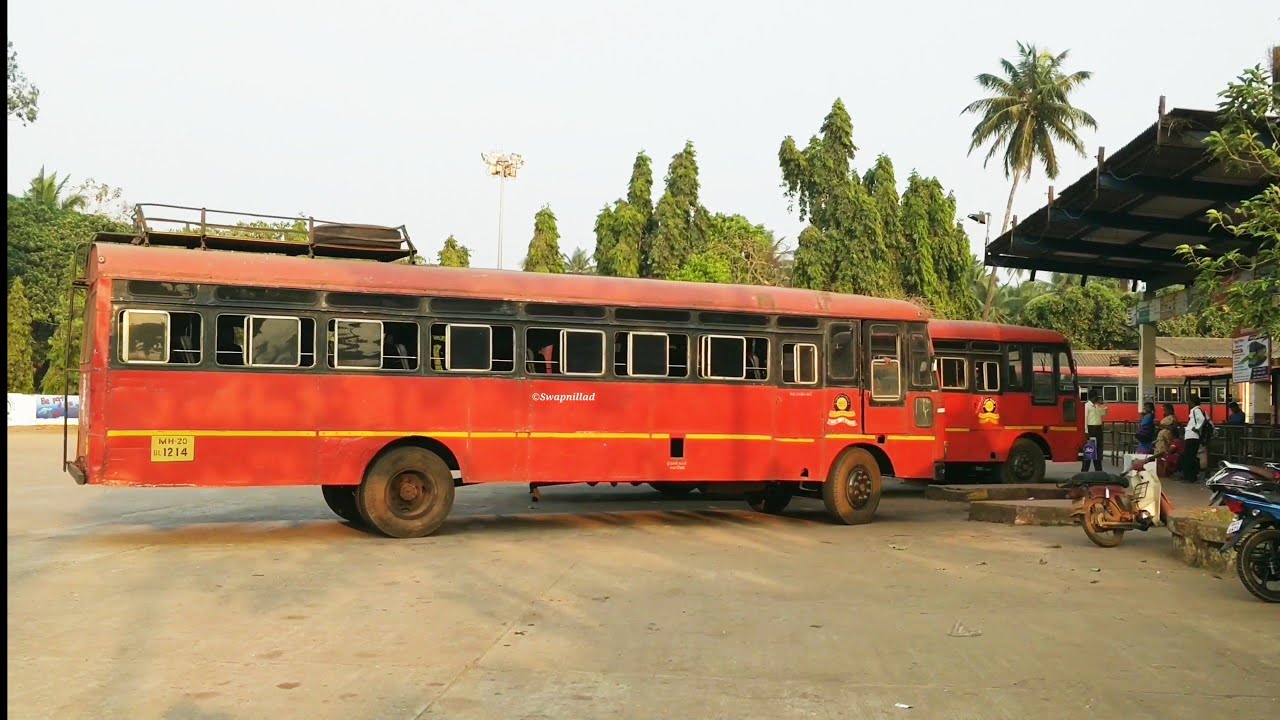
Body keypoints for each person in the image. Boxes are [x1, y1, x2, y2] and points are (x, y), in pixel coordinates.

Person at [1183, 394, 1208, 483]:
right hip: (1192, 437)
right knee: (1190, 456)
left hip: (1192, 436)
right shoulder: (1199, 410)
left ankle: (1191, 477)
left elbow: (1201, 419)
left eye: (1189, 401)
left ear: (1192, 402)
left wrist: (1196, 428)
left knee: (1190, 456)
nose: (1188, 403)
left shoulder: (1196, 410)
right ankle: (1190, 476)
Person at [1081, 390, 1108, 472]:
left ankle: (1098, 470)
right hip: (1091, 429)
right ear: (1093, 397)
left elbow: (1104, 413)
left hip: (1098, 429)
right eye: (1096, 396)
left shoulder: (1097, 406)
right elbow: (1084, 419)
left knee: (1098, 451)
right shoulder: (1086, 406)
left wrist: (1103, 405)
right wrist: (1086, 431)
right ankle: (1085, 470)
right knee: (1089, 450)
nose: (1098, 398)